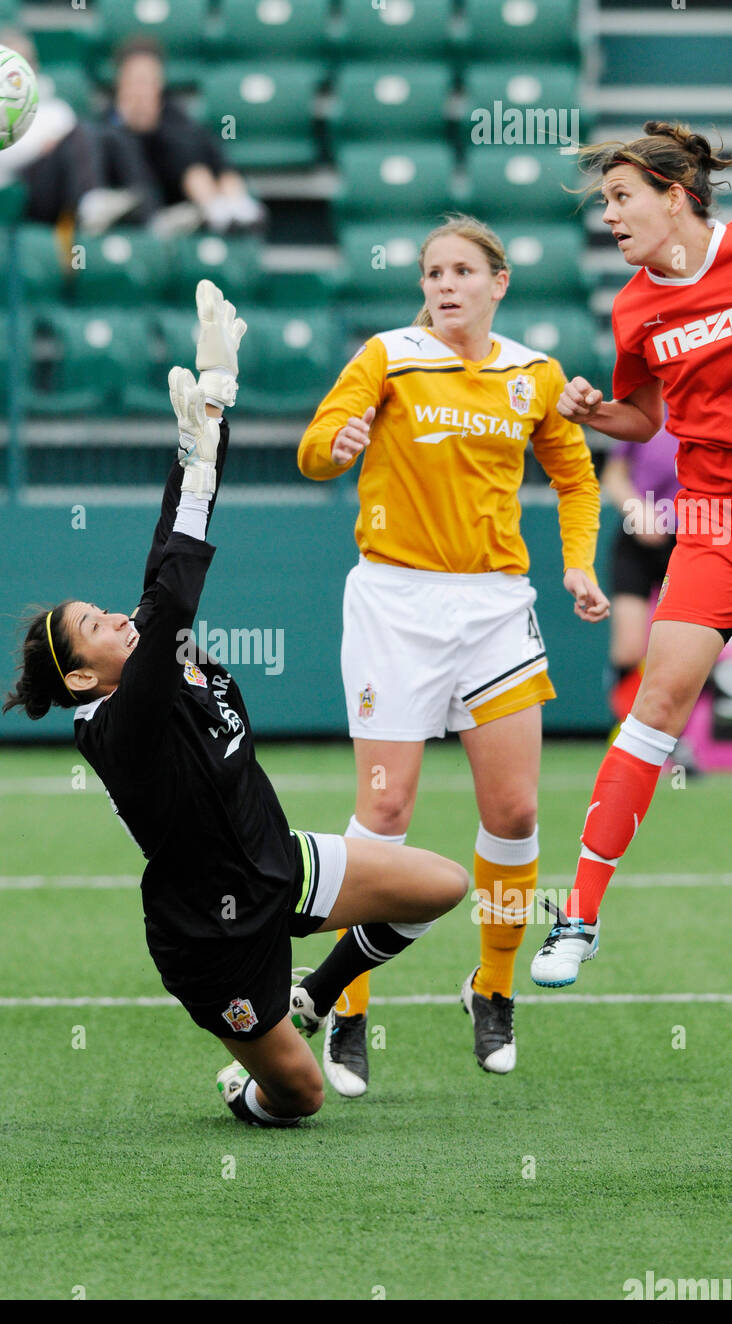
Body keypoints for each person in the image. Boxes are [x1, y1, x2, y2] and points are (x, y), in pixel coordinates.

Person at [2, 281, 468, 1127]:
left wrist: (213, 408)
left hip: (276, 864)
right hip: (208, 936)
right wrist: (202, 450)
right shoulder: (118, 717)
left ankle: (317, 997)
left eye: (102, 608)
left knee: (442, 885)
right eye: (90, 626)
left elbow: (171, 545)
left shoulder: (140, 652)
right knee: (300, 1099)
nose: (113, 615)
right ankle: (254, 1085)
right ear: (79, 677)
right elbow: (179, 580)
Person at [298, 215, 608, 1090]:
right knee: (386, 817)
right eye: (433, 271)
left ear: (498, 282)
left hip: (495, 607)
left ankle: (493, 988)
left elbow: (577, 477)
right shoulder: (386, 355)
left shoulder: (532, 375)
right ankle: (348, 1007)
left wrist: (578, 565)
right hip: (395, 602)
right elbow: (314, 451)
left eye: (463, 270)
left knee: (512, 812)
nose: (445, 284)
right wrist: (339, 445)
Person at [529, 121, 732, 987]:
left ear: (676, 196)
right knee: (655, 701)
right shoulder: (634, 307)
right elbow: (643, 416)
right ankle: (577, 915)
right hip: (712, 523)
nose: (608, 217)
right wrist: (592, 410)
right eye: (604, 202)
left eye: (621, 198)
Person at [0, 27, 147, 235]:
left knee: (112, 135)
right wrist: (46, 145)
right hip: (21, 200)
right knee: (81, 134)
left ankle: (147, 213)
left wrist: (52, 144)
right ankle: (91, 203)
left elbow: (72, 140)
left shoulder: (54, 108)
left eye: (27, 62)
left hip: (63, 194)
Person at [102, 36, 265, 236]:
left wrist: (155, 126)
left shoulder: (175, 117)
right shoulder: (107, 123)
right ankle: (217, 209)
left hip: (182, 201)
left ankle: (234, 205)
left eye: (149, 80)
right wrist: (128, 127)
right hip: (138, 209)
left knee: (198, 159)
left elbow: (209, 152)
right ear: (121, 81)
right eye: (137, 79)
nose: (142, 89)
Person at [599, 408, 679, 730]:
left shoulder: (715, 412)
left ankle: (675, 736)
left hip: (690, 542)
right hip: (637, 539)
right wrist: (638, 510)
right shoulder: (650, 410)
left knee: (678, 652)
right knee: (629, 649)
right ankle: (628, 729)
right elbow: (614, 475)